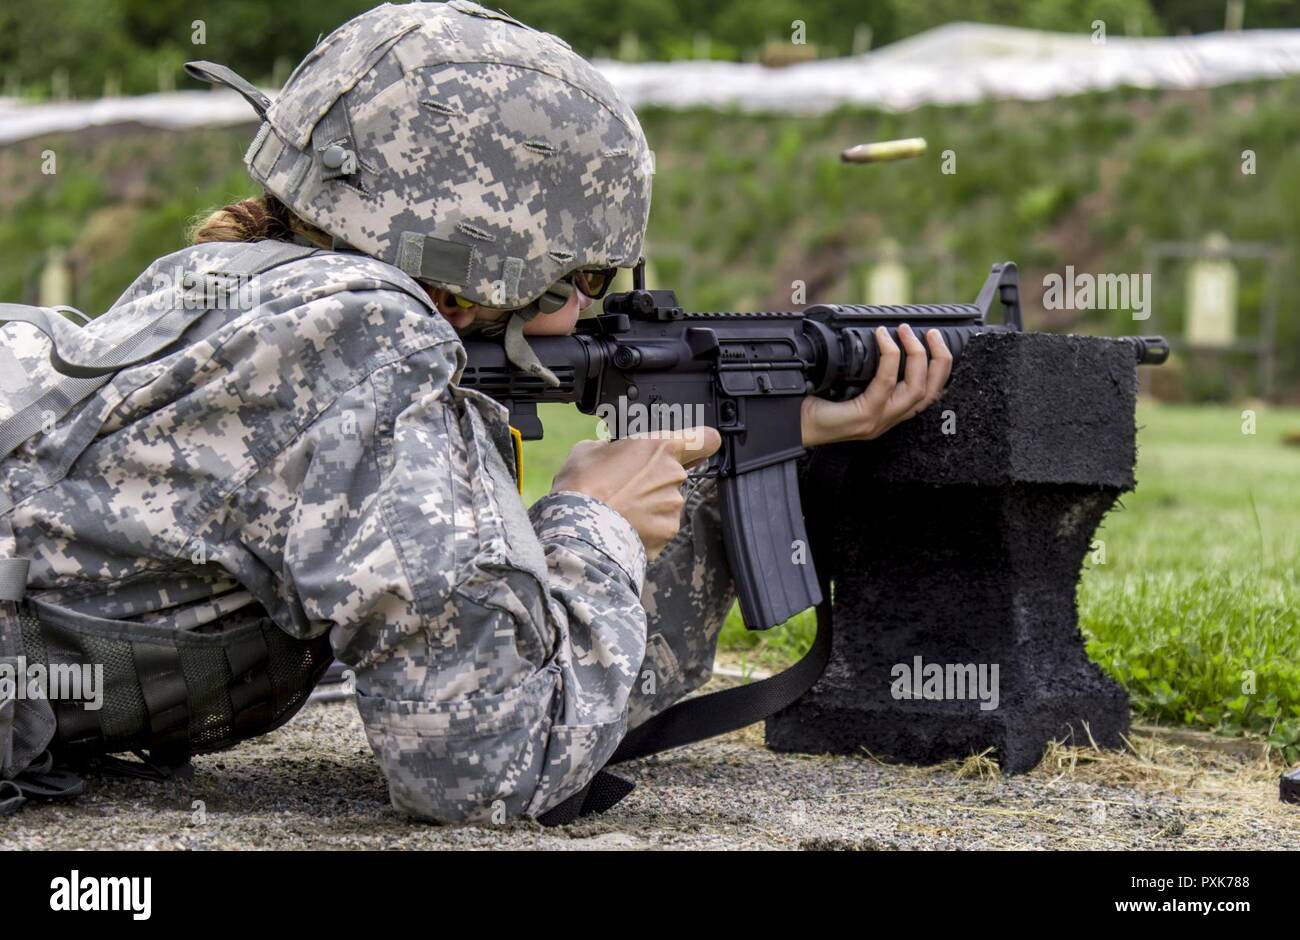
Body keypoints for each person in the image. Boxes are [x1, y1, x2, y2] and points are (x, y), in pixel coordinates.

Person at [0, 1, 950, 823]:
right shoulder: (368, 334)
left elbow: (515, 687)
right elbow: (486, 766)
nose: (589, 306)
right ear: (480, 258)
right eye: (582, 275)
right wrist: (595, 524)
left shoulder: (223, 289)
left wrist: (761, 449)